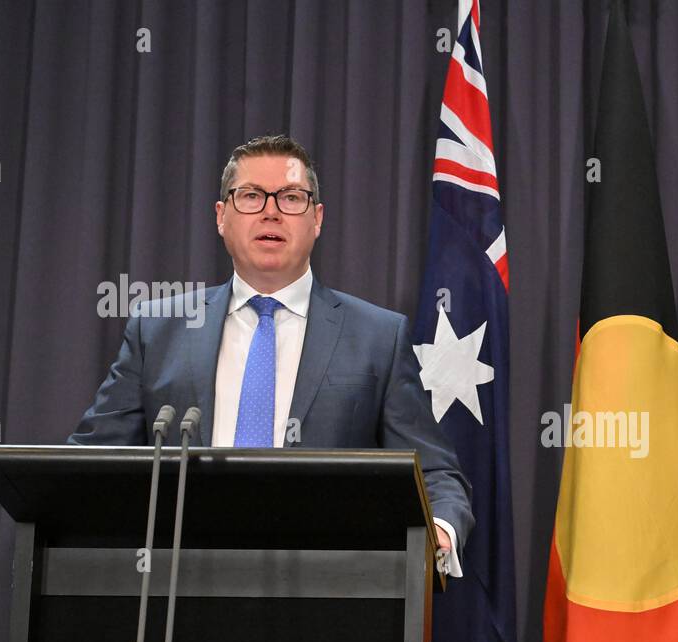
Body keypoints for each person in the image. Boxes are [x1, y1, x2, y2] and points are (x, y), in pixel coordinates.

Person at [69, 134, 471, 572]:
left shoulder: (379, 336)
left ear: (317, 219)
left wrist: (440, 532)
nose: (271, 211)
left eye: (292, 197)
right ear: (221, 217)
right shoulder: (157, 330)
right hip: (177, 587)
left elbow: (434, 475)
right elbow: (91, 466)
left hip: (330, 595)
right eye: (251, 196)